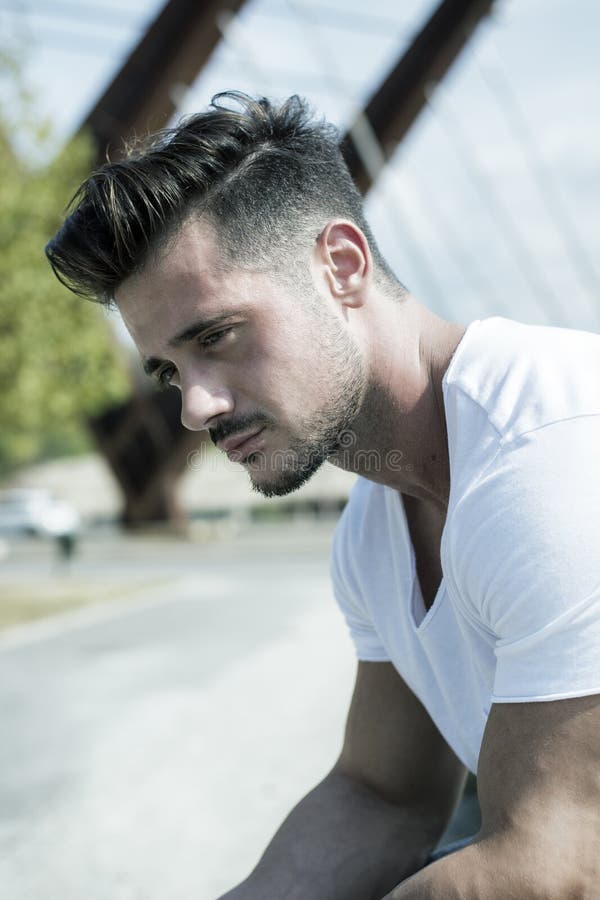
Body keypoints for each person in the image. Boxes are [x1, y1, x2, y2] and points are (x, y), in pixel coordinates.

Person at [46, 92, 600, 898]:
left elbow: (553, 871)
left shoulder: (552, 452)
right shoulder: (375, 530)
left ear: (341, 266)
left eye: (215, 336)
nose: (194, 407)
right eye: (169, 371)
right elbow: (383, 796)